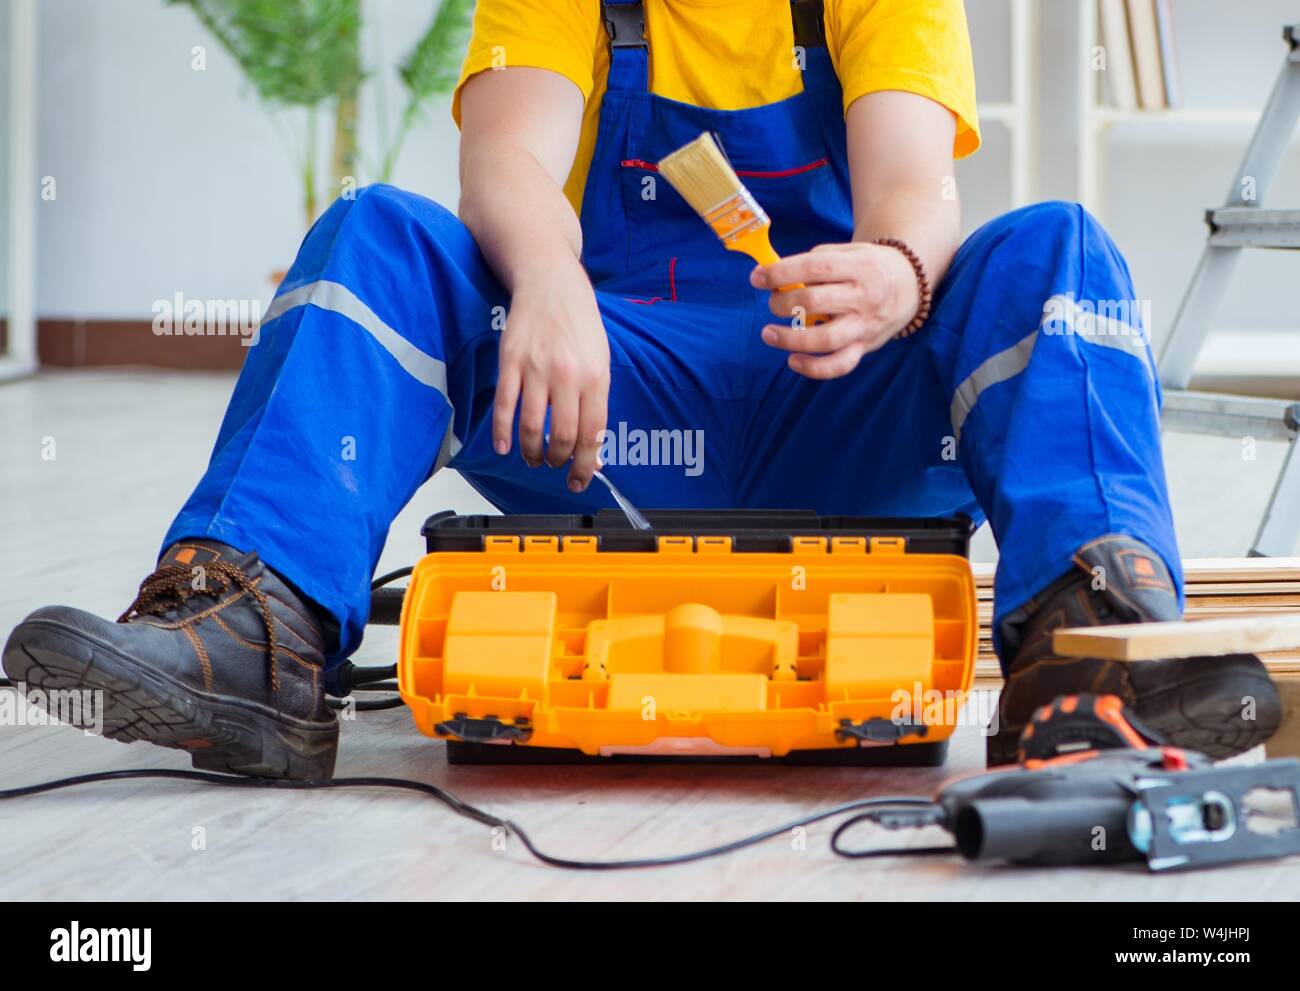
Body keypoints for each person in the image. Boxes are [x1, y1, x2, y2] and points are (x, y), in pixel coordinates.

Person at [4, 0, 1279, 779]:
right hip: (604, 418)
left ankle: (1091, 654)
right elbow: (505, 153)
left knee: (1055, 246)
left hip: (835, 394)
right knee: (376, 233)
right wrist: (548, 274)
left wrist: (896, 271)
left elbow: (913, 186)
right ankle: (254, 636)